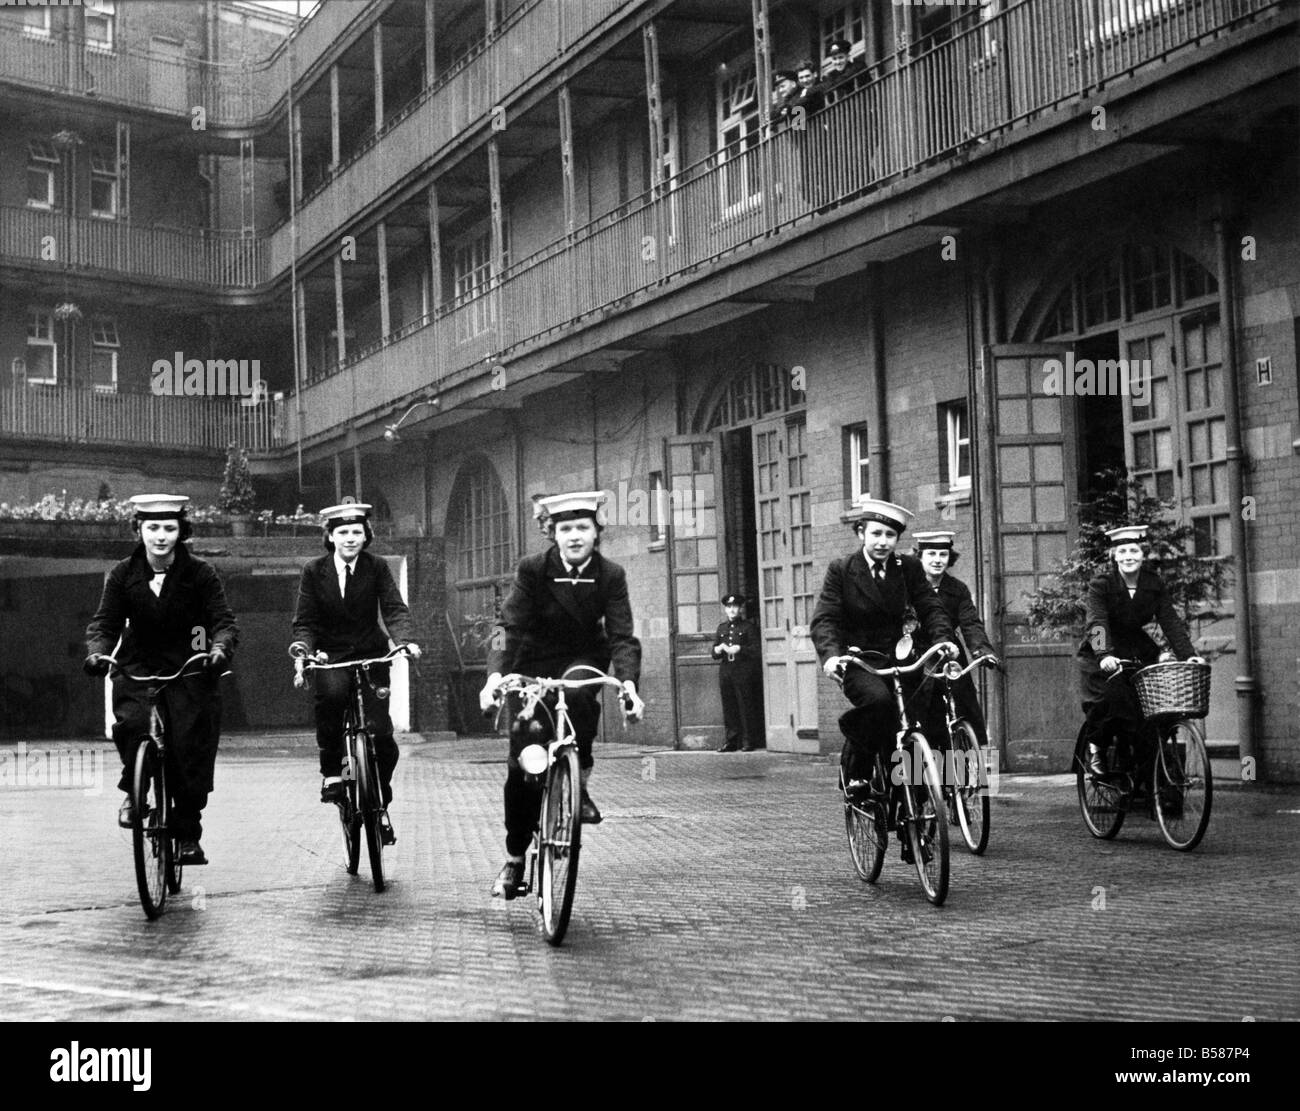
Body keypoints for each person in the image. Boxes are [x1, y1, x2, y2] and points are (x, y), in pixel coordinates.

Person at [479, 491, 643, 899]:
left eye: (582, 528)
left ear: (596, 532)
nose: (574, 536)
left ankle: (578, 779)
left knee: (584, 693)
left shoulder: (611, 574)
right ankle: (516, 857)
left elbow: (622, 635)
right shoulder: (533, 569)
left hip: (582, 656)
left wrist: (628, 684)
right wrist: (494, 678)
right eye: (565, 529)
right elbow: (506, 626)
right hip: (531, 662)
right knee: (524, 767)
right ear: (553, 533)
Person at [84, 494, 238, 866]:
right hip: (138, 665)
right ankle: (135, 791)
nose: (161, 536)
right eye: (152, 527)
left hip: (188, 665)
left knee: (188, 748)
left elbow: (218, 621)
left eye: (169, 528)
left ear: (181, 531)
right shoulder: (123, 573)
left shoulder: (200, 572)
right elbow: (106, 623)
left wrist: (214, 650)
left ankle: (187, 835)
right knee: (132, 725)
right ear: (139, 530)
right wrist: (97, 651)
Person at [810, 498, 955, 831]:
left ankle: (915, 806)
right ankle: (856, 773)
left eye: (890, 535)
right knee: (878, 704)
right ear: (861, 532)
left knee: (918, 722)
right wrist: (831, 655)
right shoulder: (842, 570)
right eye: (875, 533)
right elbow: (825, 618)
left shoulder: (908, 569)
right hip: (860, 661)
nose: (882, 542)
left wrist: (942, 639)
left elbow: (930, 606)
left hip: (902, 658)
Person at [289, 500, 420, 846]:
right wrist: (303, 649)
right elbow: (305, 620)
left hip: (370, 654)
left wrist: (404, 641)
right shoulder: (314, 571)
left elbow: (393, 608)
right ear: (330, 536)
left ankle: (379, 805)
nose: (350, 538)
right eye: (342, 532)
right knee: (331, 701)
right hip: (330, 655)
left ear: (366, 536)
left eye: (356, 532)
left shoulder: (376, 568)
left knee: (381, 737)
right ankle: (334, 773)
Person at [1076, 524, 1204, 776]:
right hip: (1100, 652)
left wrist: (1188, 654)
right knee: (1109, 702)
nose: (1128, 557)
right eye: (1122, 552)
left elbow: (1170, 621)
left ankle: (1149, 776)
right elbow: (1096, 622)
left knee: (1150, 710)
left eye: (1133, 550)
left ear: (1143, 554)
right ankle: (1097, 746)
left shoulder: (1152, 583)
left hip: (1136, 646)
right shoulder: (1102, 584)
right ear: (1114, 556)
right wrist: (1104, 655)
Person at [910, 530, 998, 750]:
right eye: (931, 554)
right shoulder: (908, 588)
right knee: (914, 712)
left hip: (950, 653)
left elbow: (971, 623)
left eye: (943, 554)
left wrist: (982, 650)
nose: (938, 560)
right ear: (919, 557)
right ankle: (913, 774)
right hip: (916, 654)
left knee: (963, 702)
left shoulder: (957, 589)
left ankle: (963, 772)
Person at [712, 592, 764, 752]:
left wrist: (740, 648)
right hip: (726, 670)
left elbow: (756, 650)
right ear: (725, 609)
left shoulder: (748, 627)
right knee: (729, 707)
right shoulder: (721, 628)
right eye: (729, 607)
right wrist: (717, 649)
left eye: (735, 607)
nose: (732, 610)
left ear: (741, 608)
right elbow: (714, 654)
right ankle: (732, 741)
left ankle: (748, 741)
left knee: (745, 706)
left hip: (743, 671)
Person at [821, 38, 864, 106]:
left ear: (848, 57)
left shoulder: (858, 66)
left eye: (841, 57)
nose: (838, 62)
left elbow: (845, 77)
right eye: (834, 59)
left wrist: (832, 83)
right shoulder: (832, 75)